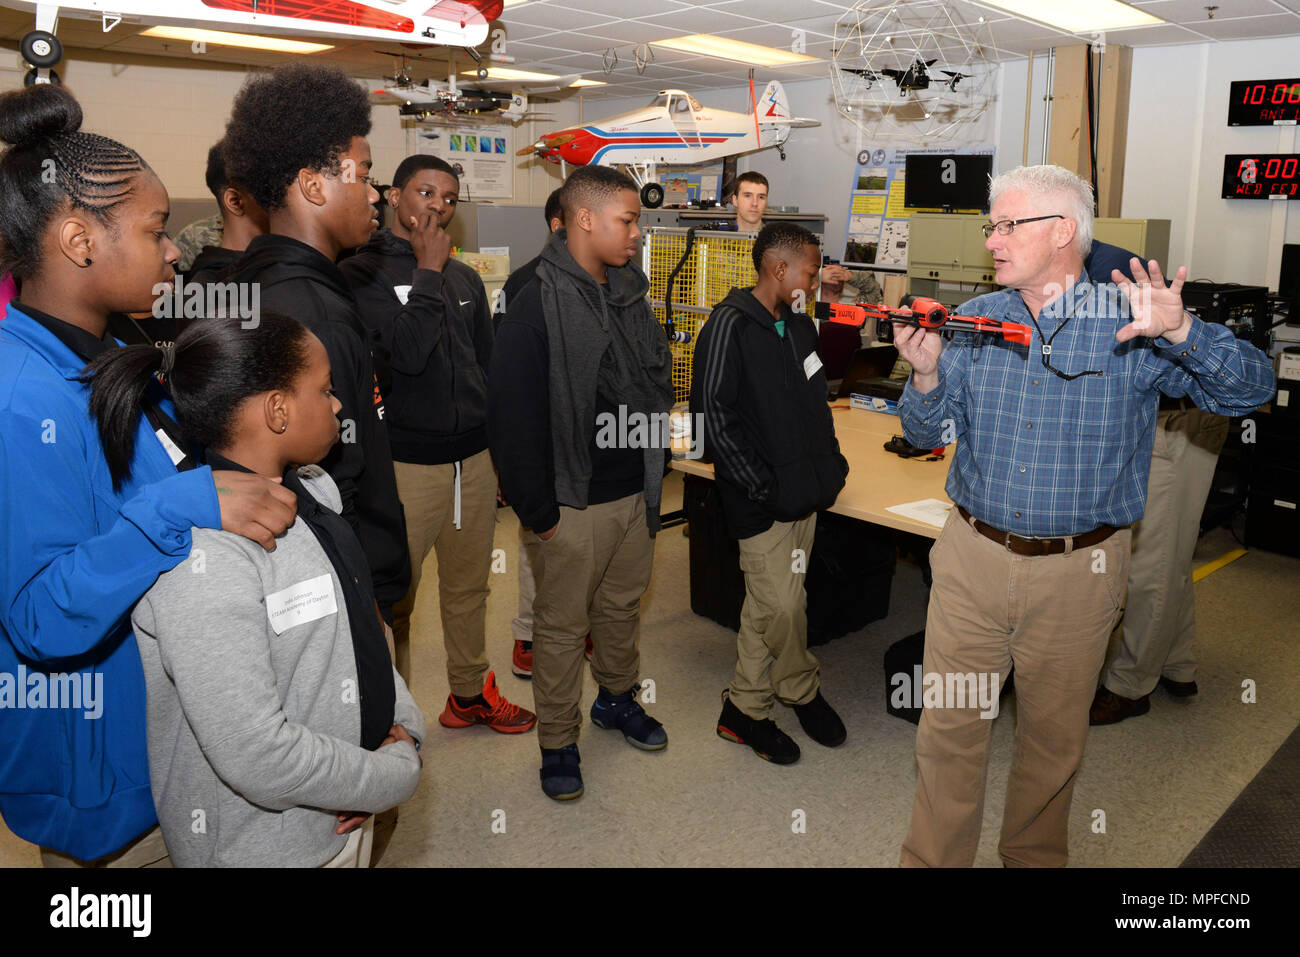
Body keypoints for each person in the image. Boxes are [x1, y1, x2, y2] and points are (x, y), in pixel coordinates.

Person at [893, 164, 1274, 868]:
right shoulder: (978, 320)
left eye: (1008, 224)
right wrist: (922, 377)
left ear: (1062, 230)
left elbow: (1253, 390)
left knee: (1052, 742)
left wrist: (1185, 330)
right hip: (971, 561)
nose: (993, 239)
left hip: (1080, 572)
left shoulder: (1132, 325)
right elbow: (925, 434)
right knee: (949, 731)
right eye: (991, 226)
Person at [0, 83, 297, 867]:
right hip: (106, 786)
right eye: (156, 228)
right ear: (78, 240)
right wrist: (183, 504)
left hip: (170, 741)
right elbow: (40, 616)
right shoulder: (18, 394)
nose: (173, 249)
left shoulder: (111, 351)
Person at [85, 314, 425, 868]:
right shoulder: (202, 561)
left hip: (344, 807)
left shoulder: (317, 495)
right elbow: (255, 754)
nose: (339, 404)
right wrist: (384, 777)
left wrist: (401, 732)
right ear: (277, 410)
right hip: (264, 850)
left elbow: (363, 636)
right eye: (325, 389)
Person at [489, 165, 674, 801]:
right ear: (585, 219)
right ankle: (558, 740)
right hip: (571, 501)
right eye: (628, 220)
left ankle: (617, 701)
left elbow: (651, 382)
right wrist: (539, 511)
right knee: (563, 629)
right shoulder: (532, 295)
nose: (637, 233)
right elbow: (511, 415)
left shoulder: (629, 291)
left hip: (634, 490)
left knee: (620, 610)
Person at [340, 154, 534, 732]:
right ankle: (388, 719)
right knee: (395, 601)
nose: (438, 207)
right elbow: (403, 358)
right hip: (404, 466)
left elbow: (487, 369)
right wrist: (426, 270)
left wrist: (497, 456)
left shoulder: (466, 277)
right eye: (425, 193)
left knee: (470, 587)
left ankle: (469, 693)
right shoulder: (360, 274)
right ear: (395, 195)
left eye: (449, 198)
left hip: (472, 462)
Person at [218, 63, 411, 635]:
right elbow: (332, 478)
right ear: (312, 185)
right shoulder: (314, 311)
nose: (374, 192)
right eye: (364, 174)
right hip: (332, 572)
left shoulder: (257, 282)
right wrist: (369, 600)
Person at [691, 221, 849, 764]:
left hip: (806, 490)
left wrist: (830, 468)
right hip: (757, 500)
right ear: (778, 269)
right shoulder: (729, 325)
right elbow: (710, 421)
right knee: (782, 606)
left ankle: (744, 708)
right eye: (810, 269)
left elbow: (816, 402)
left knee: (771, 603)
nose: (816, 275)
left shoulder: (800, 326)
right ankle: (800, 688)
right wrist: (759, 487)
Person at [1082, 240, 1231, 724]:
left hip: (1175, 422)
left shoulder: (1106, 270)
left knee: (1149, 563)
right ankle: (1176, 662)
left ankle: (1129, 684)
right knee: (1170, 553)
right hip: (1158, 418)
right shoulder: (1067, 270)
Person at [186, 139, 270, 286]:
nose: (282, 195)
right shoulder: (214, 285)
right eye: (269, 187)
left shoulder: (270, 263)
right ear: (235, 201)